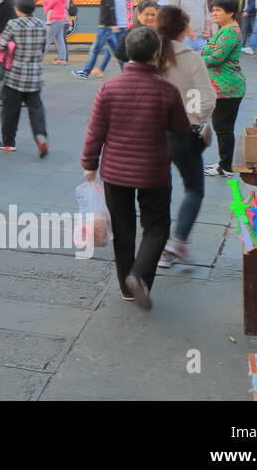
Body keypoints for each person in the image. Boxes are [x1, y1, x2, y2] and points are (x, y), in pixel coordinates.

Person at [81, 27, 189, 310]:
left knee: (123, 228)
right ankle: (139, 277)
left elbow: (95, 131)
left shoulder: (108, 88)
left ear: (127, 52)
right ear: (156, 54)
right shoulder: (167, 90)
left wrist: (89, 163)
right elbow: (180, 130)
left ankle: (126, 287)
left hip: (115, 171)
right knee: (157, 227)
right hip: (154, 171)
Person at [154, 5, 216, 269]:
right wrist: (196, 118)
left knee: (157, 189)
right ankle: (177, 241)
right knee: (193, 188)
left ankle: (158, 246)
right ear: (183, 29)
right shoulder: (191, 58)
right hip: (183, 132)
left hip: (151, 132)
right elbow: (207, 98)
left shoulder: (150, 54)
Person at [0, 0, 49, 156]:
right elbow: (43, 48)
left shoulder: (13, 24)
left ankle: (8, 142)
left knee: (10, 110)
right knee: (36, 108)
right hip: (35, 75)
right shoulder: (41, 24)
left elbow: (1, 45)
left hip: (14, 75)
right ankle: (41, 136)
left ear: (17, 9)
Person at [202, 0, 245, 178]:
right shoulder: (224, 29)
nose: (214, 13)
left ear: (231, 12)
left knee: (223, 128)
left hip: (228, 88)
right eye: (213, 10)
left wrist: (195, 58)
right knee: (222, 127)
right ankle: (224, 163)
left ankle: (226, 167)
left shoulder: (230, 32)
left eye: (219, 10)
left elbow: (215, 58)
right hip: (222, 86)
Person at [73, 0, 118, 79]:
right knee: (116, 51)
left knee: (94, 50)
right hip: (106, 27)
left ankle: (85, 72)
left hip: (104, 27)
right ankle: (129, 68)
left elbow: (111, 9)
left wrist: (113, 24)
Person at [41, 0, 70, 64]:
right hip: (61, 19)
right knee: (60, 39)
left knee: (47, 39)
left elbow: (48, 7)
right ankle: (62, 59)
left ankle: (38, 59)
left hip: (53, 20)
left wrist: (46, 10)